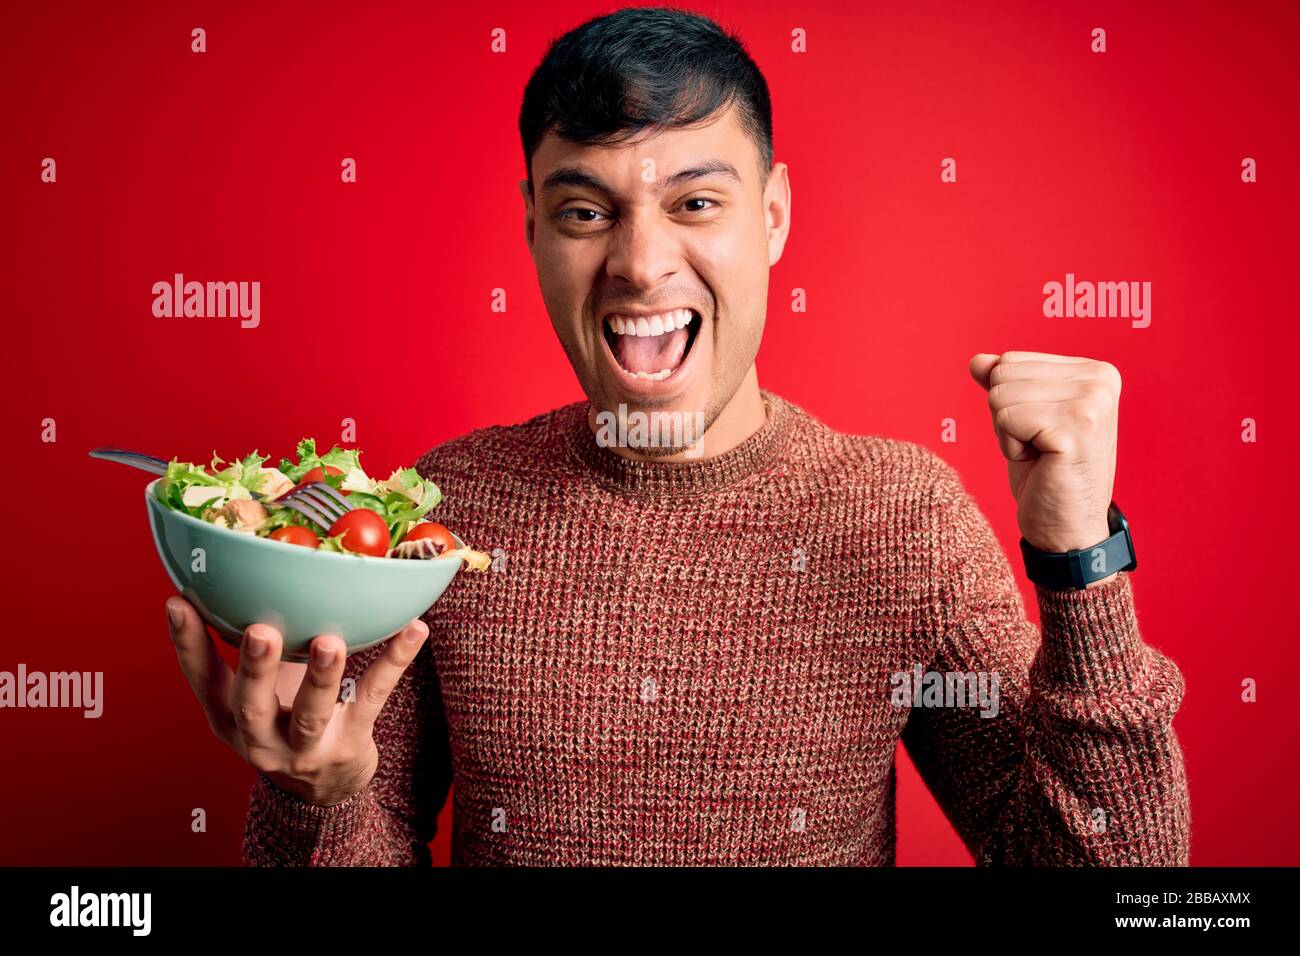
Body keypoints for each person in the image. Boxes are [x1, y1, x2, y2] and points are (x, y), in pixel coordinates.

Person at [165, 6, 1190, 866]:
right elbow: (355, 829)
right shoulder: (447, 517)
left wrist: (1079, 561)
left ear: (775, 215)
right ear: (531, 229)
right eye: (584, 212)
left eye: (696, 201)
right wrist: (317, 793)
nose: (642, 263)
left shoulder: (897, 516)